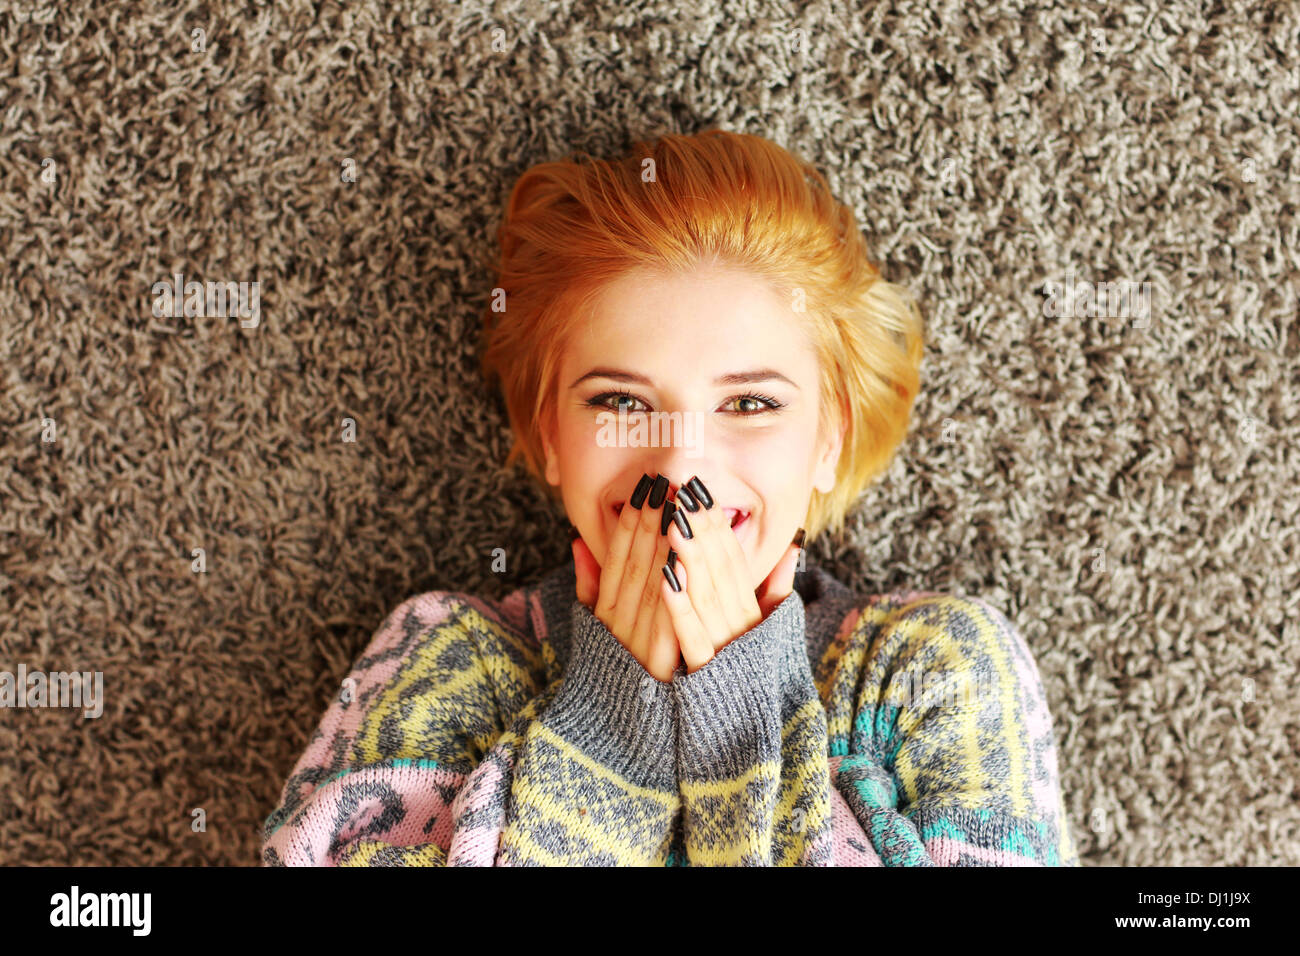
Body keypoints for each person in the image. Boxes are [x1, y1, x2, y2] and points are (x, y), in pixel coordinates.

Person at [261, 129, 1078, 866]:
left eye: (751, 403)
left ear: (828, 438)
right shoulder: (443, 657)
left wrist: (742, 734)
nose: (681, 463)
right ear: (550, 434)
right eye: (619, 403)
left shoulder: (937, 669)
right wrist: (607, 737)